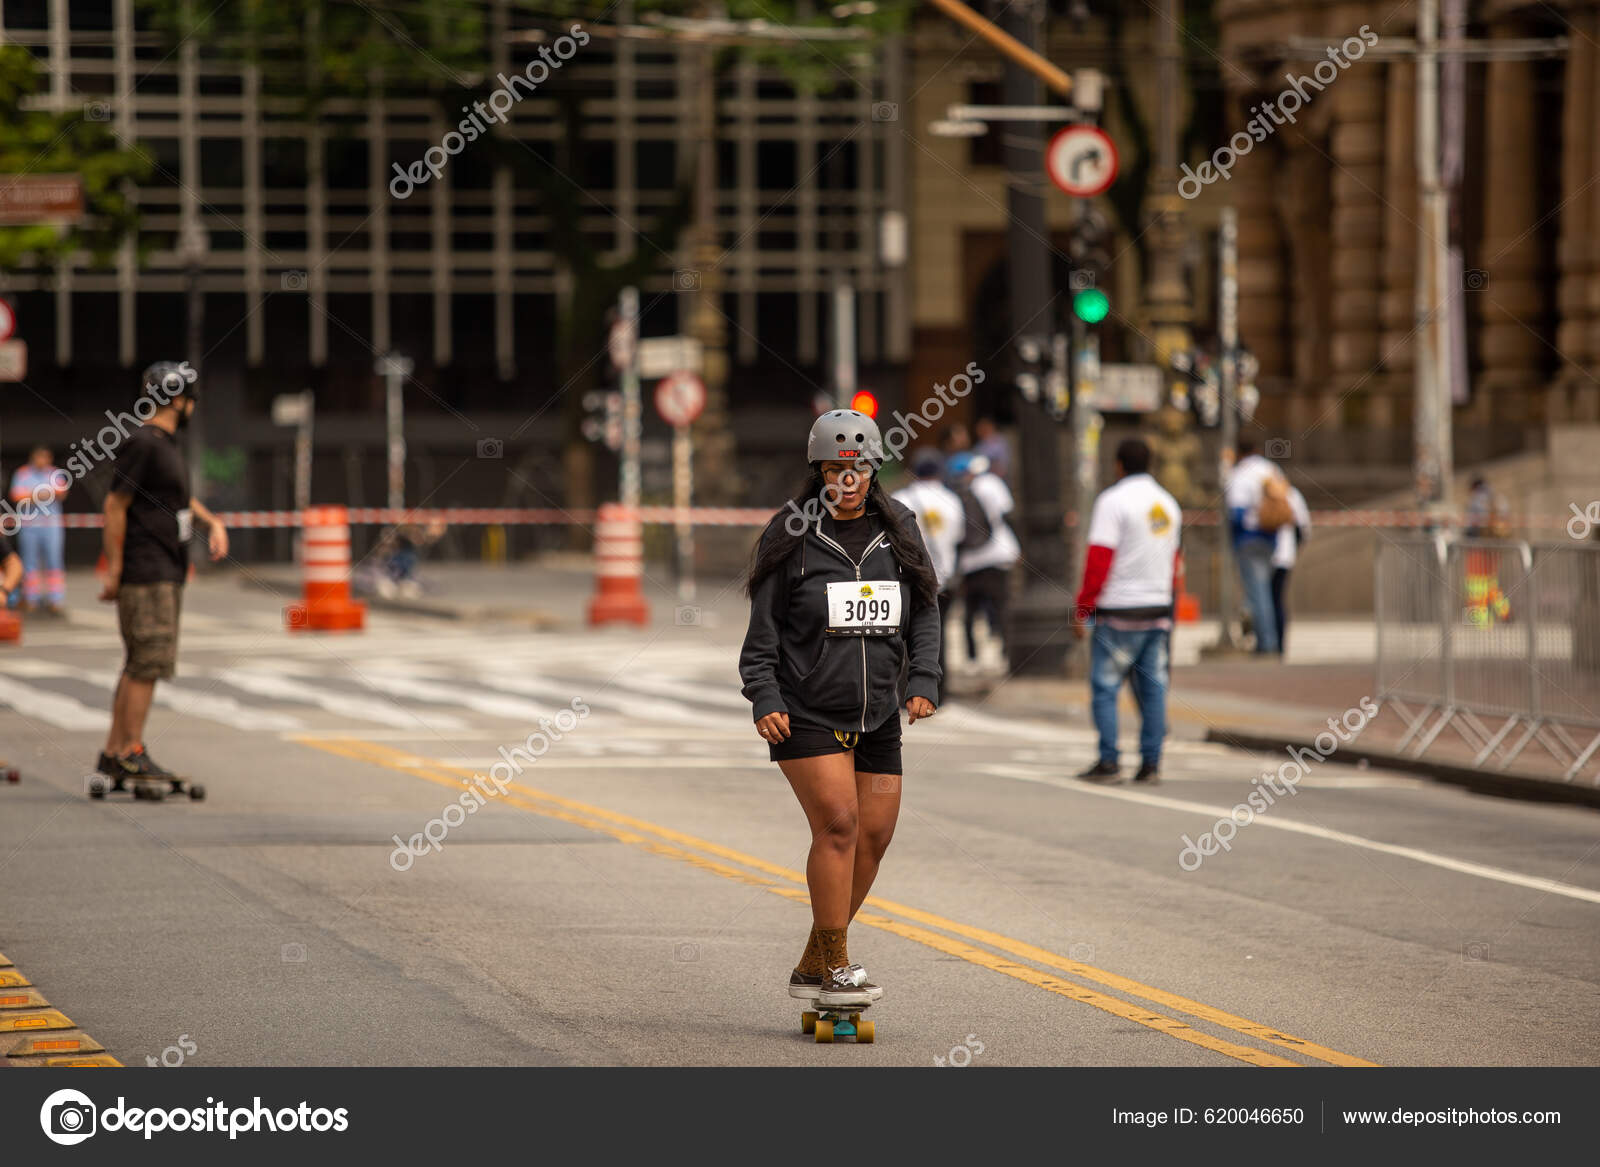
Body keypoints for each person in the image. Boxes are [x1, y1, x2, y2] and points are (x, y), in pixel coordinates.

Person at [740, 408, 941, 1013]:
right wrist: (765, 696)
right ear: (819, 471)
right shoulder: (793, 533)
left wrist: (923, 677)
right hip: (804, 712)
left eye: (856, 467)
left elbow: (926, 608)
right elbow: (763, 631)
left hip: (877, 714)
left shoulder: (898, 528)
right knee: (839, 826)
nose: (845, 479)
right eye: (834, 468)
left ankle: (813, 960)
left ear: (872, 469)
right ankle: (837, 970)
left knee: (874, 840)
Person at [96, 361, 229, 785]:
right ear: (176, 399)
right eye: (190, 398)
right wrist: (116, 568)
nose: (192, 407)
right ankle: (132, 752)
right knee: (147, 664)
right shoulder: (144, 444)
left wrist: (212, 523)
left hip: (163, 568)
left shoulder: (162, 445)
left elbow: (176, 501)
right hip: (146, 569)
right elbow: (115, 505)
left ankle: (116, 752)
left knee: (137, 663)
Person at [1072, 438, 1183, 784]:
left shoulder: (1112, 501)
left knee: (1105, 687)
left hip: (1119, 609)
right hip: (1158, 608)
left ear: (1119, 465)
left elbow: (1099, 559)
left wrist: (1083, 608)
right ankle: (1151, 763)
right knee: (1154, 688)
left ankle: (1109, 761)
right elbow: (1176, 562)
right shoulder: (1168, 504)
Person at [893, 449, 964, 704]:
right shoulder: (952, 500)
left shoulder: (901, 498)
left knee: (902, 635)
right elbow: (958, 538)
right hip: (942, 578)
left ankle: (904, 692)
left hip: (908, 578)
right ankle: (936, 692)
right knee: (936, 633)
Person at [949, 452, 1019, 673]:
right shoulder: (992, 484)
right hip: (998, 555)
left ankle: (972, 659)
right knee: (1002, 607)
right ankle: (1007, 655)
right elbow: (1007, 514)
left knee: (970, 612)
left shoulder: (956, 494)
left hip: (971, 562)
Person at [1223, 439, 1285, 653]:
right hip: (1272, 537)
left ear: (1240, 452)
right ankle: (1265, 638)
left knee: (1258, 594)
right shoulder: (1271, 469)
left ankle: (1266, 643)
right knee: (1262, 591)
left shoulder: (1241, 474)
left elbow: (1236, 512)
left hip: (1249, 539)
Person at [9, 445, 69, 615]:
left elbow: (61, 492)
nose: (42, 461)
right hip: (29, 525)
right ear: (33, 458)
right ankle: (31, 599)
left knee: (54, 562)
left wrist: (35, 494)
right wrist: (40, 494)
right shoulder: (23, 473)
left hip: (51, 525)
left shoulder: (54, 473)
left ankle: (55, 600)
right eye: (39, 457)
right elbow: (17, 496)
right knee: (29, 563)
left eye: (46, 458)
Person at [1270, 482, 1311, 656]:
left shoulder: (1263, 491)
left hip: (1265, 554)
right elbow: (1304, 528)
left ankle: (1268, 642)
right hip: (1285, 556)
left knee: (1265, 600)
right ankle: (1278, 644)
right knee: (1277, 599)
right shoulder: (1292, 494)